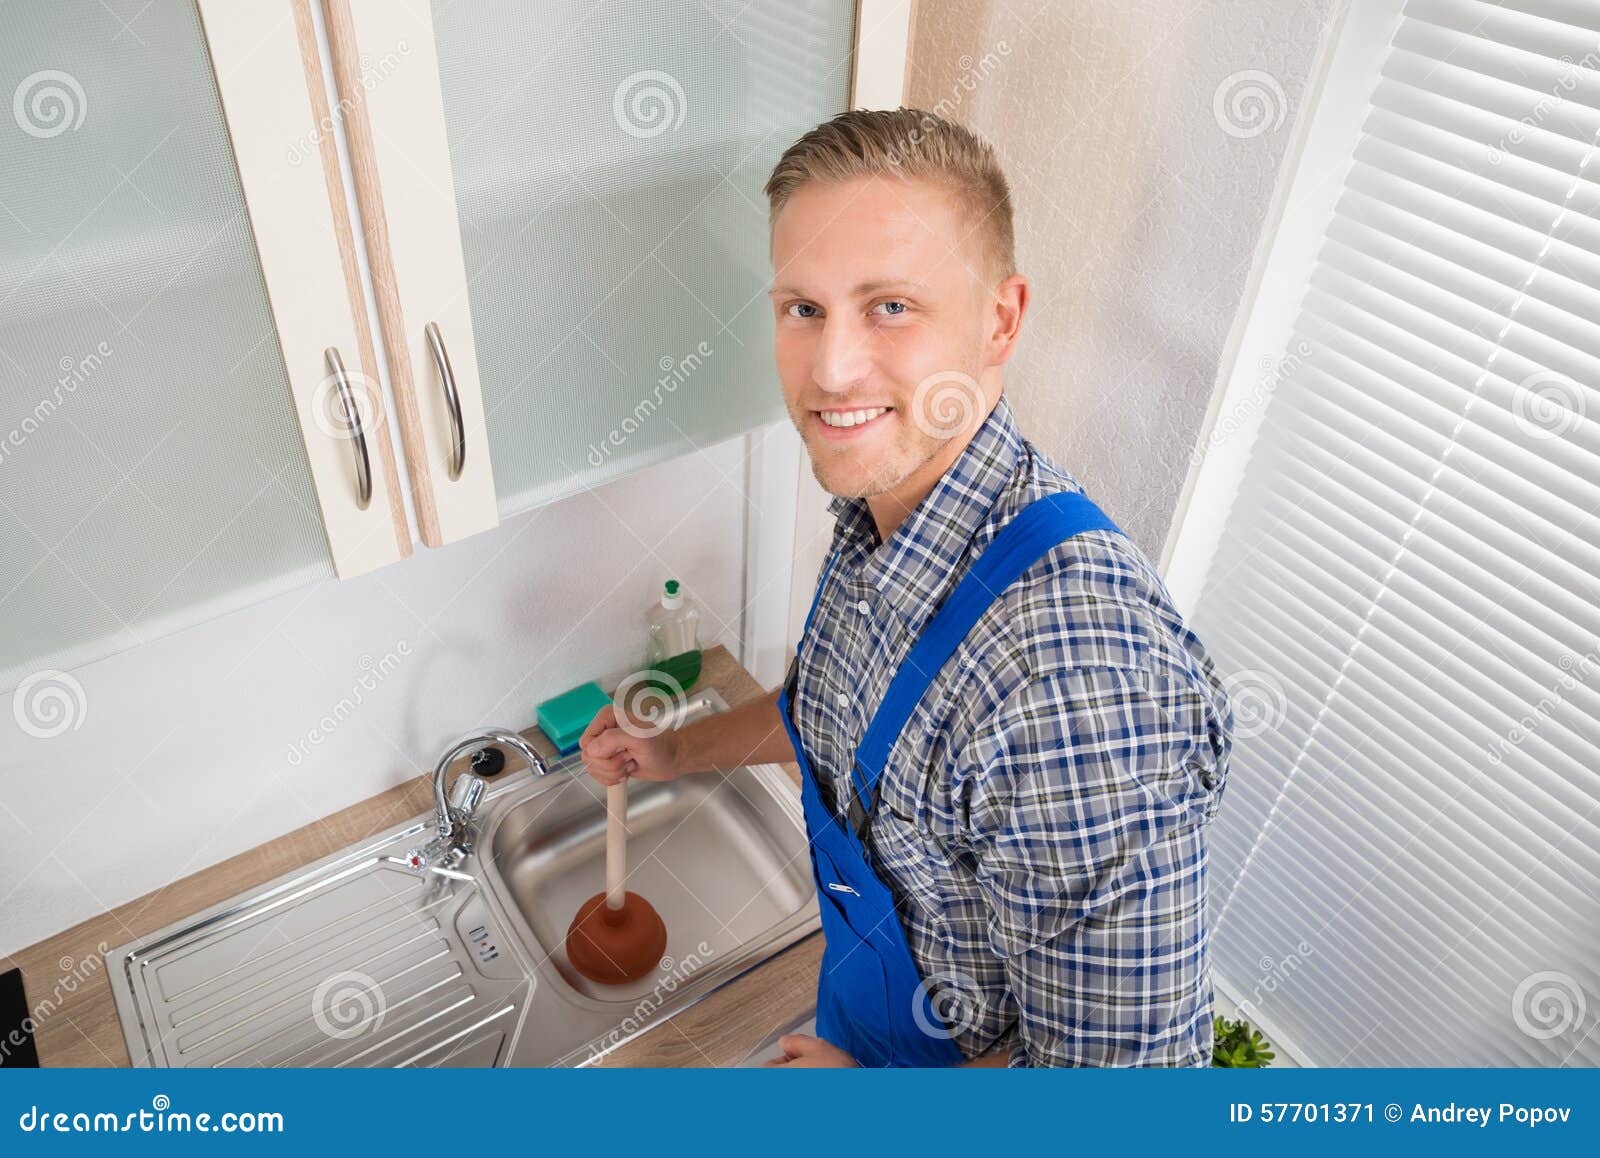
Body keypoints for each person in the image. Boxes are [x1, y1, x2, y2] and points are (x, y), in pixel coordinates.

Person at [580, 107, 1232, 1068]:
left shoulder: (1071, 687)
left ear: (1000, 320)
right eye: (804, 309)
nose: (833, 371)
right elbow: (833, 723)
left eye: (891, 306)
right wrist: (676, 752)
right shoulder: (881, 509)